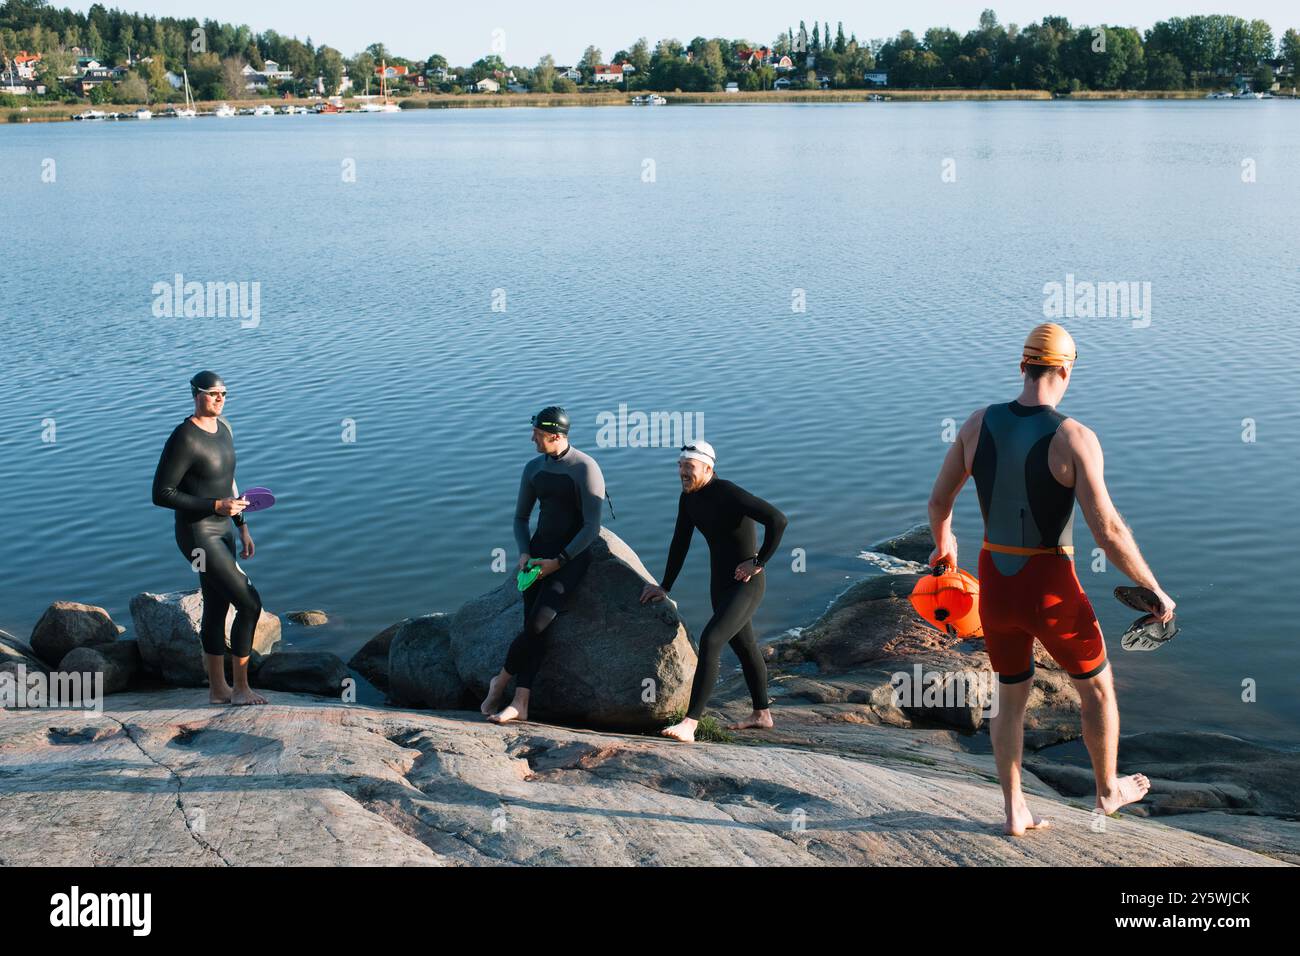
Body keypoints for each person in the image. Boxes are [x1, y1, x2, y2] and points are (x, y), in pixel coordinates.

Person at [926, 323, 1176, 835]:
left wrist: (944, 544)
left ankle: (1015, 809)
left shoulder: (976, 424)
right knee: (1099, 691)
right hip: (1050, 588)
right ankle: (1107, 791)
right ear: (1066, 369)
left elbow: (939, 503)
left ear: (1022, 366)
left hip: (996, 584)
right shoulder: (1075, 437)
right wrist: (1154, 586)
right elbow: (1106, 531)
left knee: (1010, 696)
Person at [641, 441, 787, 743]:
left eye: (689, 467)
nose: (682, 472)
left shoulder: (728, 492)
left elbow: (778, 519)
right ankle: (762, 714)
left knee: (711, 640)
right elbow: (679, 542)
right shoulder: (688, 499)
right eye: (680, 465)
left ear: (708, 468)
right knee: (745, 647)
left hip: (746, 585)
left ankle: (690, 724)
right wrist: (665, 586)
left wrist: (758, 562)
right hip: (719, 585)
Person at [482, 406, 606, 724]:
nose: (531, 439)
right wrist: (524, 553)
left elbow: (591, 527)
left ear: (554, 436)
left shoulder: (586, 468)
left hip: (571, 558)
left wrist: (559, 561)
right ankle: (520, 703)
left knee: (536, 624)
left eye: (537, 434)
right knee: (534, 630)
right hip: (536, 557)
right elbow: (521, 517)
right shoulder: (533, 468)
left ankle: (501, 681)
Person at [152, 371, 267, 706]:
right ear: (195, 394)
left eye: (224, 393)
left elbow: (230, 481)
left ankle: (219, 690)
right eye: (213, 393)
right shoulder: (184, 438)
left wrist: (242, 524)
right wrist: (215, 505)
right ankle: (241, 688)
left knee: (216, 606)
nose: (220, 398)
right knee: (249, 602)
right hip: (197, 534)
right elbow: (161, 493)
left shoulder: (225, 428)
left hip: (224, 529)